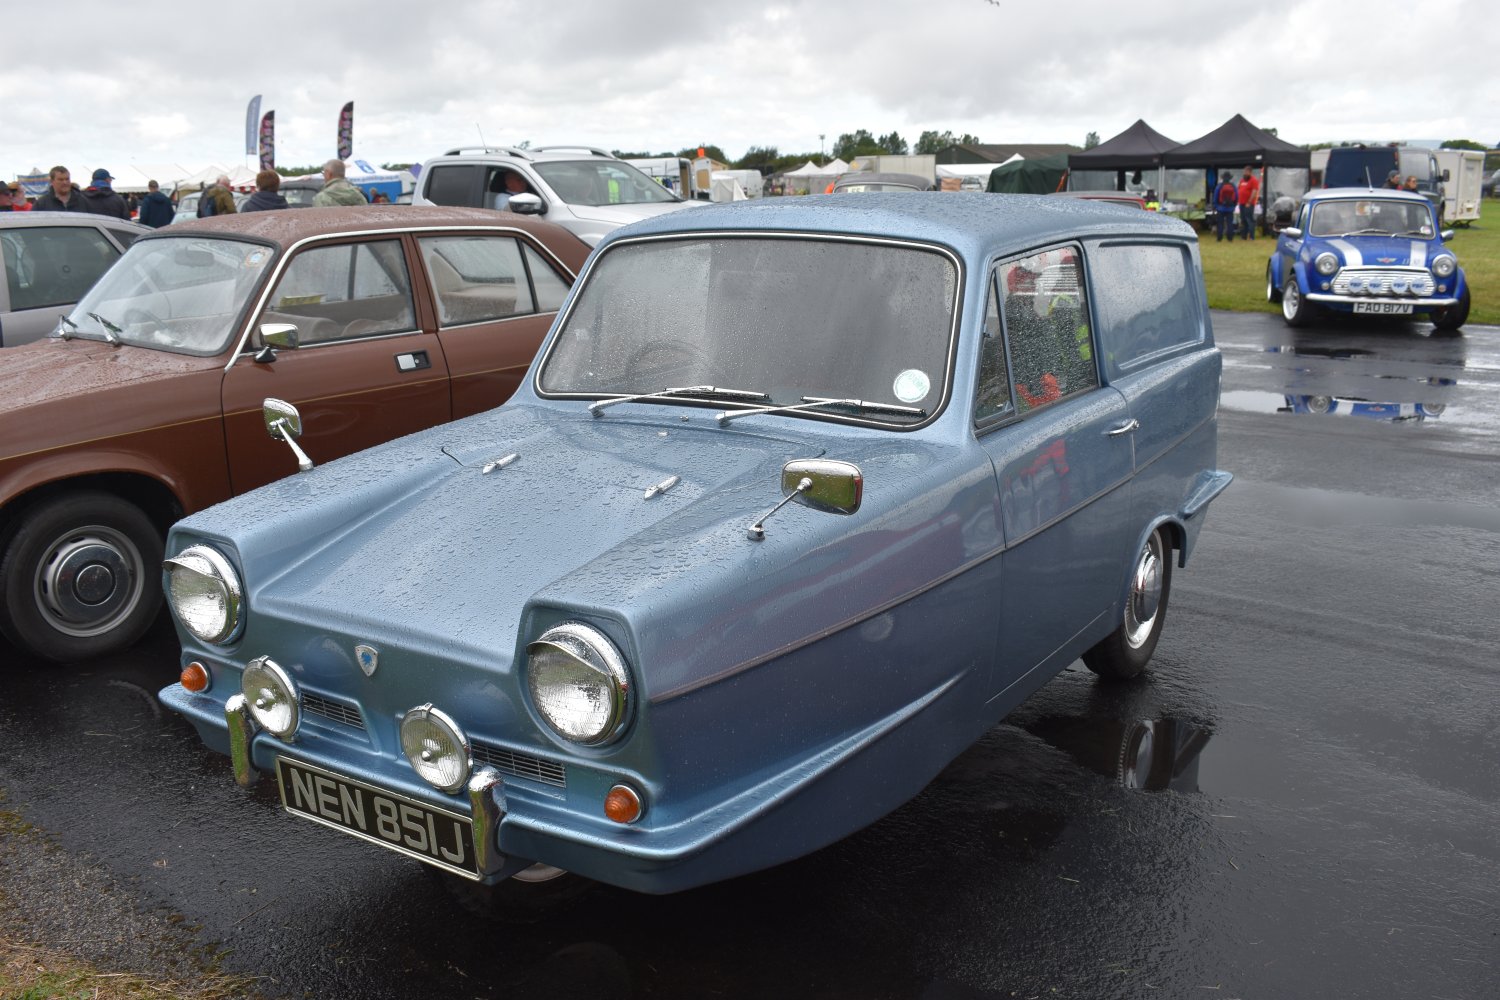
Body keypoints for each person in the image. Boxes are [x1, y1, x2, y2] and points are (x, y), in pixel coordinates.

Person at [1237, 165, 1260, 240]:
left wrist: (1249, 201)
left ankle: (1251, 236)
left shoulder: (1253, 180)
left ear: (1250, 172)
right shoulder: (1242, 180)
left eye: (1246, 172)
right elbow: (1239, 189)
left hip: (1249, 204)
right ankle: (1243, 236)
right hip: (1241, 203)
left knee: (1249, 219)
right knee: (1243, 219)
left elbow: (1254, 191)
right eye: (1244, 171)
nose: (1244, 173)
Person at [1214, 171, 1237, 242]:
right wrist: (1234, 205)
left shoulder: (1219, 186)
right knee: (1230, 223)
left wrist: (1216, 206)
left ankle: (1219, 238)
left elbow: (1215, 196)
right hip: (1230, 208)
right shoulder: (1233, 186)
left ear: (1222, 178)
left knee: (1220, 223)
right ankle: (1230, 238)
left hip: (1220, 208)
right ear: (1230, 178)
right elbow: (1236, 196)